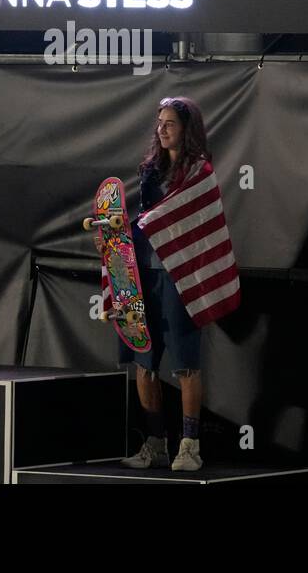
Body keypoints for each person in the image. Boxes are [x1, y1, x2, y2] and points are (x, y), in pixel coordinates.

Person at [118, 96, 211, 472]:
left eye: (170, 122)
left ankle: (190, 448)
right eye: (159, 122)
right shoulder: (149, 171)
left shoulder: (200, 172)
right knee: (144, 364)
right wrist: (114, 240)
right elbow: (143, 223)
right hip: (145, 276)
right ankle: (156, 443)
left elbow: (198, 229)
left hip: (181, 277)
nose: (162, 128)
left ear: (187, 129)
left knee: (186, 365)